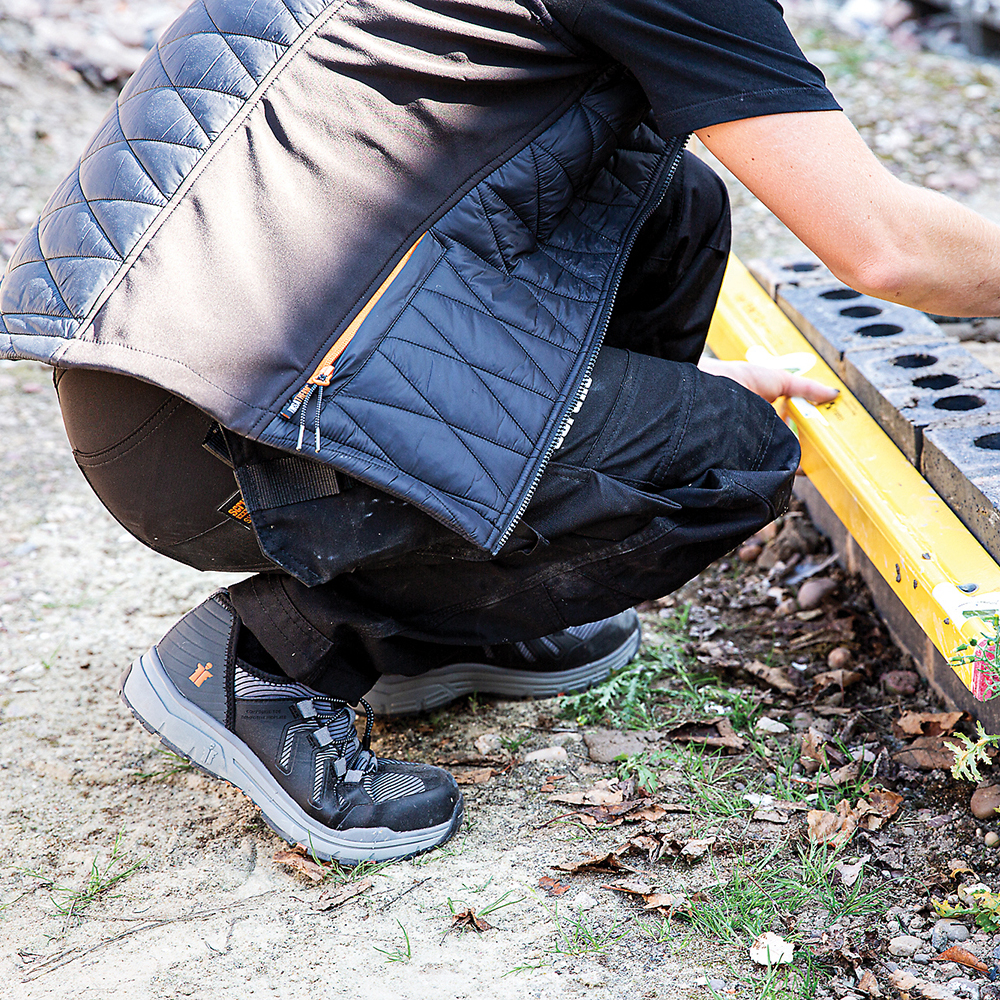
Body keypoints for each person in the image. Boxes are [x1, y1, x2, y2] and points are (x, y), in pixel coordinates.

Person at [3, 0, 1000, 863]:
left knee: (674, 207)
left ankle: (450, 609)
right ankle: (274, 649)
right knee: (721, 462)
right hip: (219, 429)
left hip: (154, 365)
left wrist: (648, 391)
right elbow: (887, 247)